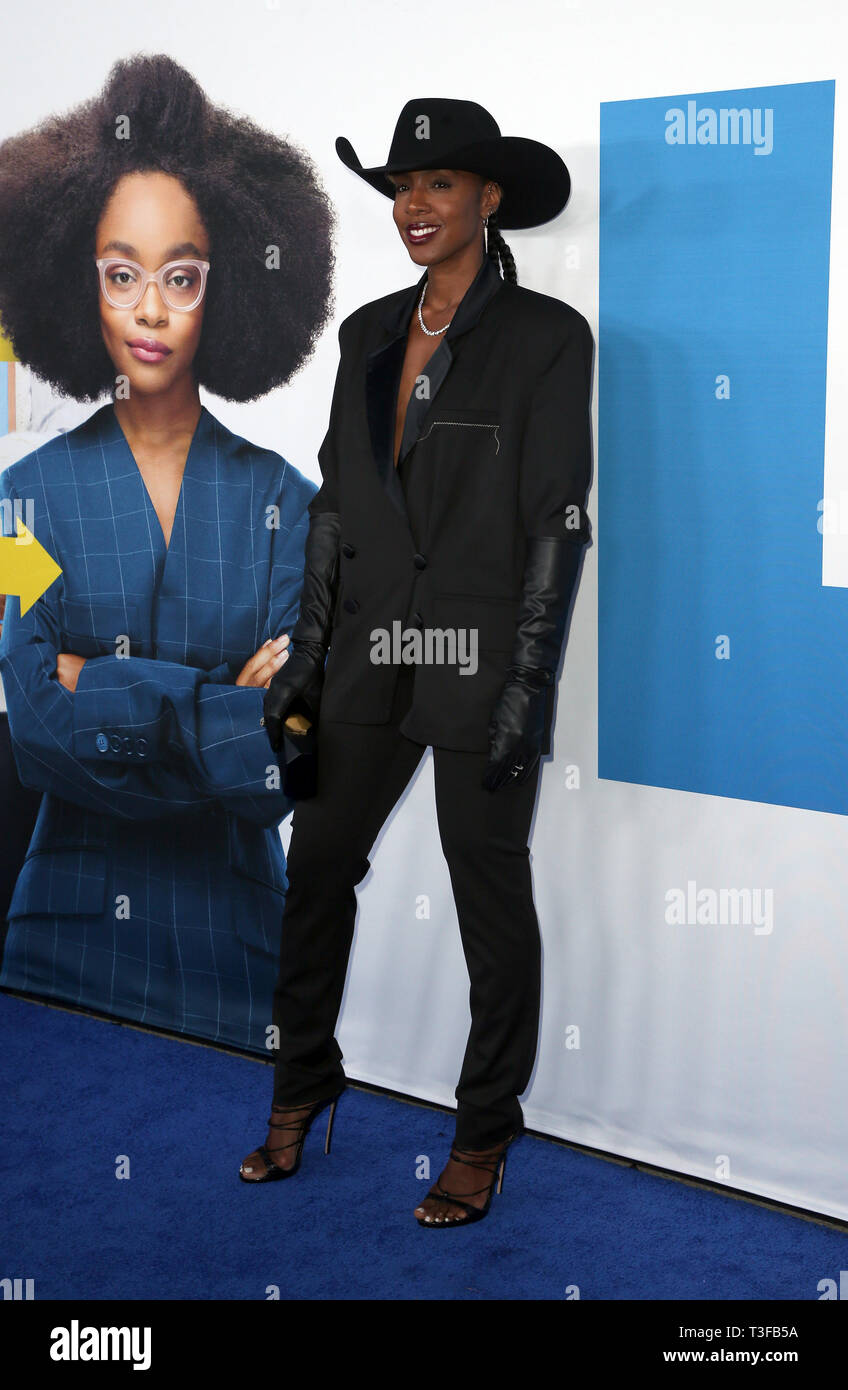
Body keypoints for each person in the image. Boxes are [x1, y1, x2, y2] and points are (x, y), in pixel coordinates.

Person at [242, 99, 595, 1227]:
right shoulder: (365, 334)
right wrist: (306, 656)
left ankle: (484, 1128)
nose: (413, 206)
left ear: (488, 199)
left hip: (480, 659)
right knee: (315, 870)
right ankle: (305, 1081)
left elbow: (556, 520)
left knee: (488, 896)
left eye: (437, 184)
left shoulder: (549, 339)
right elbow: (337, 511)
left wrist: (527, 686)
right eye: (400, 187)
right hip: (369, 652)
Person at [0, 54, 332, 1051]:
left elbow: (284, 761)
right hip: (58, 937)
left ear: (224, 287)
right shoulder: (22, 501)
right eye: (120, 274)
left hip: (233, 948)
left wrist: (101, 681)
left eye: (180, 276)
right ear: (79, 285)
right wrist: (217, 699)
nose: (149, 310)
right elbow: (34, 729)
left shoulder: (291, 504)